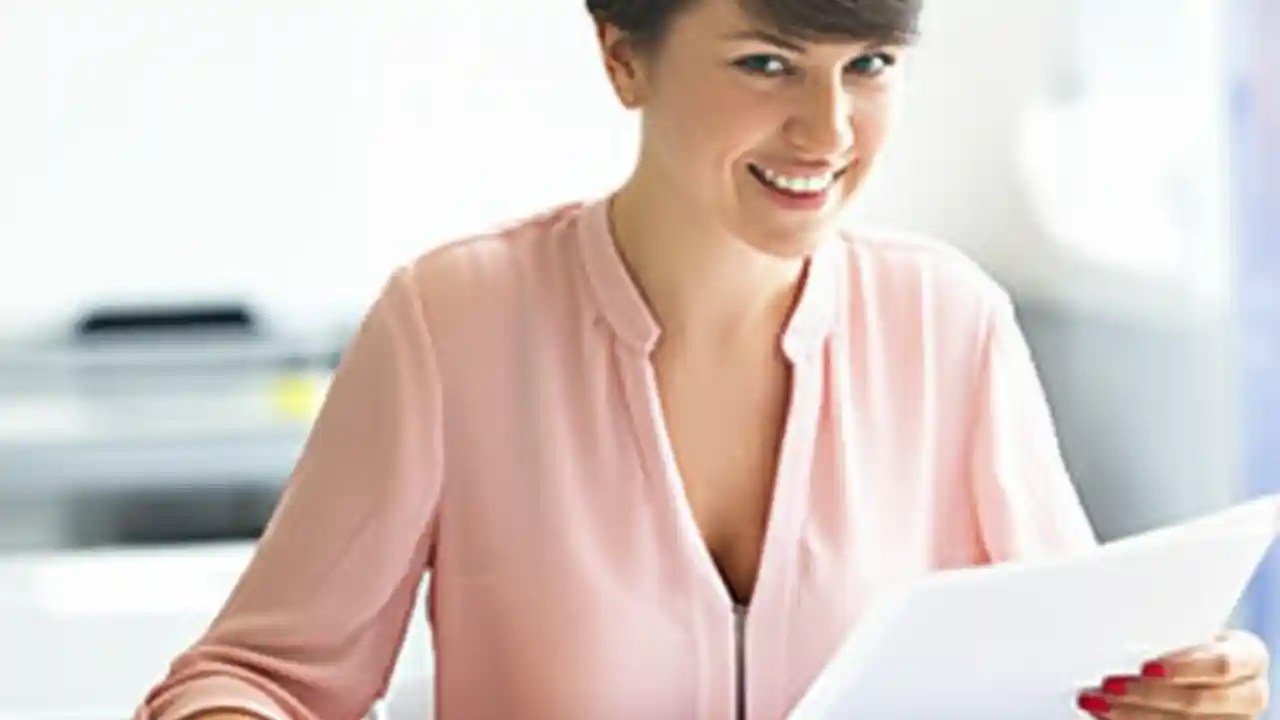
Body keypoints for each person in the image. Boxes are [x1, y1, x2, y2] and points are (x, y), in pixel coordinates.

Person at [134, 0, 1272, 718]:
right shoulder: (452, 321)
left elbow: (1081, 677)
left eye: (868, 63)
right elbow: (254, 678)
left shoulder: (949, 322)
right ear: (622, 57)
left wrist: (1181, 698)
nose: (826, 132)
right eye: (767, 63)